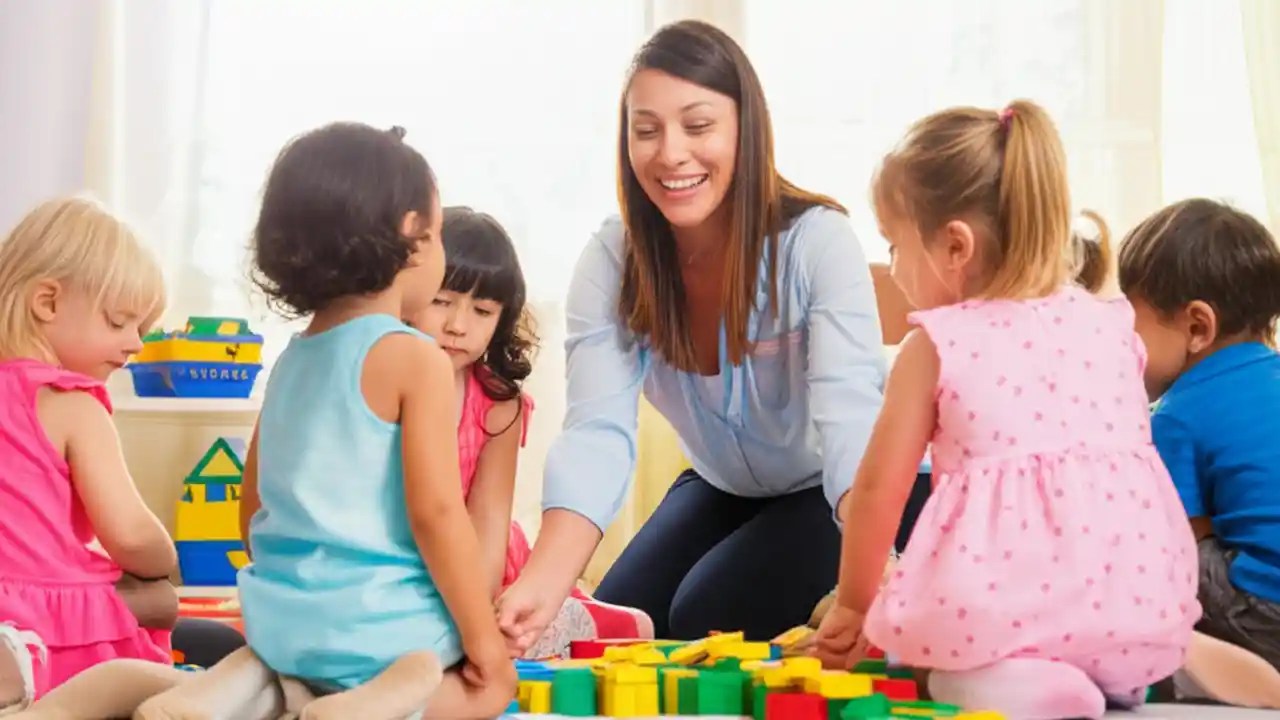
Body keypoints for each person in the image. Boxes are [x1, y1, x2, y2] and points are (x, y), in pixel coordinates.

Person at [496, 19, 904, 650]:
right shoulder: (613, 260)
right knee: (620, 621)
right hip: (724, 485)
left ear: (746, 127)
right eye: (646, 130)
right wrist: (542, 588)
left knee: (701, 618)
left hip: (835, 493)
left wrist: (873, 565)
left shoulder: (816, 242)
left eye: (698, 125)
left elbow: (851, 416)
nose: (670, 153)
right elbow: (596, 432)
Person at [809, 100, 1199, 719]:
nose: (896, 269)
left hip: (1009, 603)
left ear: (954, 246)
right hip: (1129, 599)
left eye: (894, 245)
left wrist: (855, 605)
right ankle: (1108, 673)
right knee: (1068, 619)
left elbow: (880, 489)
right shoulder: (1109, 323)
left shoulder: (936, 343)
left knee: (931, 663)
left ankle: (1033, 688)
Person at [130, 123, 514, 720]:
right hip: (380, 634)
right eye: (437, 235)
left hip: (283, 626)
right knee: (486, 688)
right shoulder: (416, 359)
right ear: (413, 240)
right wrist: (484, 642)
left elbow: (249, 507)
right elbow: (438, 515)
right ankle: (373, 704)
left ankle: (257, 684)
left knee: (294, 665)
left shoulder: (291, 359)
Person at [406, 207, 653, 658]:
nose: (458, 325)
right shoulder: (379, 380)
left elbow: (488, 523)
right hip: (403, 563)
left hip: (480, 566)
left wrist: (471, 622)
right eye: (442, 301)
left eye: (481, 311)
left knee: (509, 639)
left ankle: (590, 616)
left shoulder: (498, 406)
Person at [0, 197, 176, 711]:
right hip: (41, 621)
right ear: (47, 302)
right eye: (121, 322)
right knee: (167, 614)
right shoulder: (71, 403)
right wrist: (165, 556)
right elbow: (130, 535)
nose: (137, 344)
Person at [1119, 198, 1280, 708]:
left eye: (1132, 322)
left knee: (1139, 547)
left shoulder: (1179, 414)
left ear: (1196, 327)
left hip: (1265, 613)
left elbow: (1175, 545)